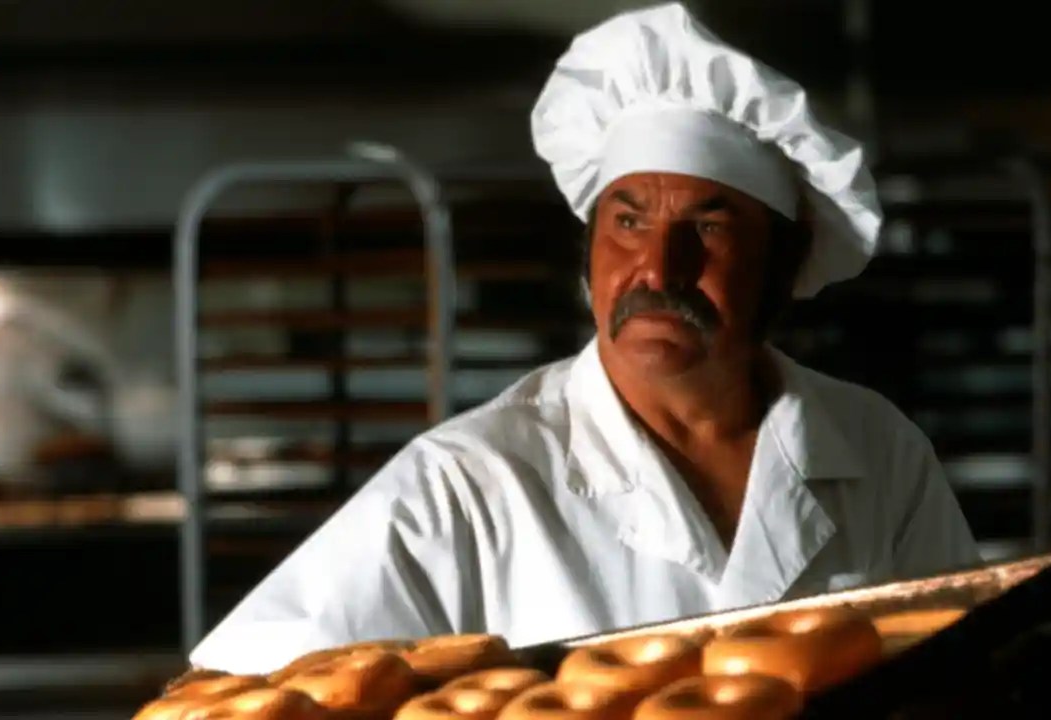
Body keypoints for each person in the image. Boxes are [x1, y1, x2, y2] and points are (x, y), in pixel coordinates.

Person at [189, 2, 980, 674]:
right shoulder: (471, 484)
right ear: (590, 247)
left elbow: (969, 679)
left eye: (707, 225)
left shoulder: (877, 452)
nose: (658, 269)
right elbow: (253, 688)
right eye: (628, 221)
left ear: (784, 260)